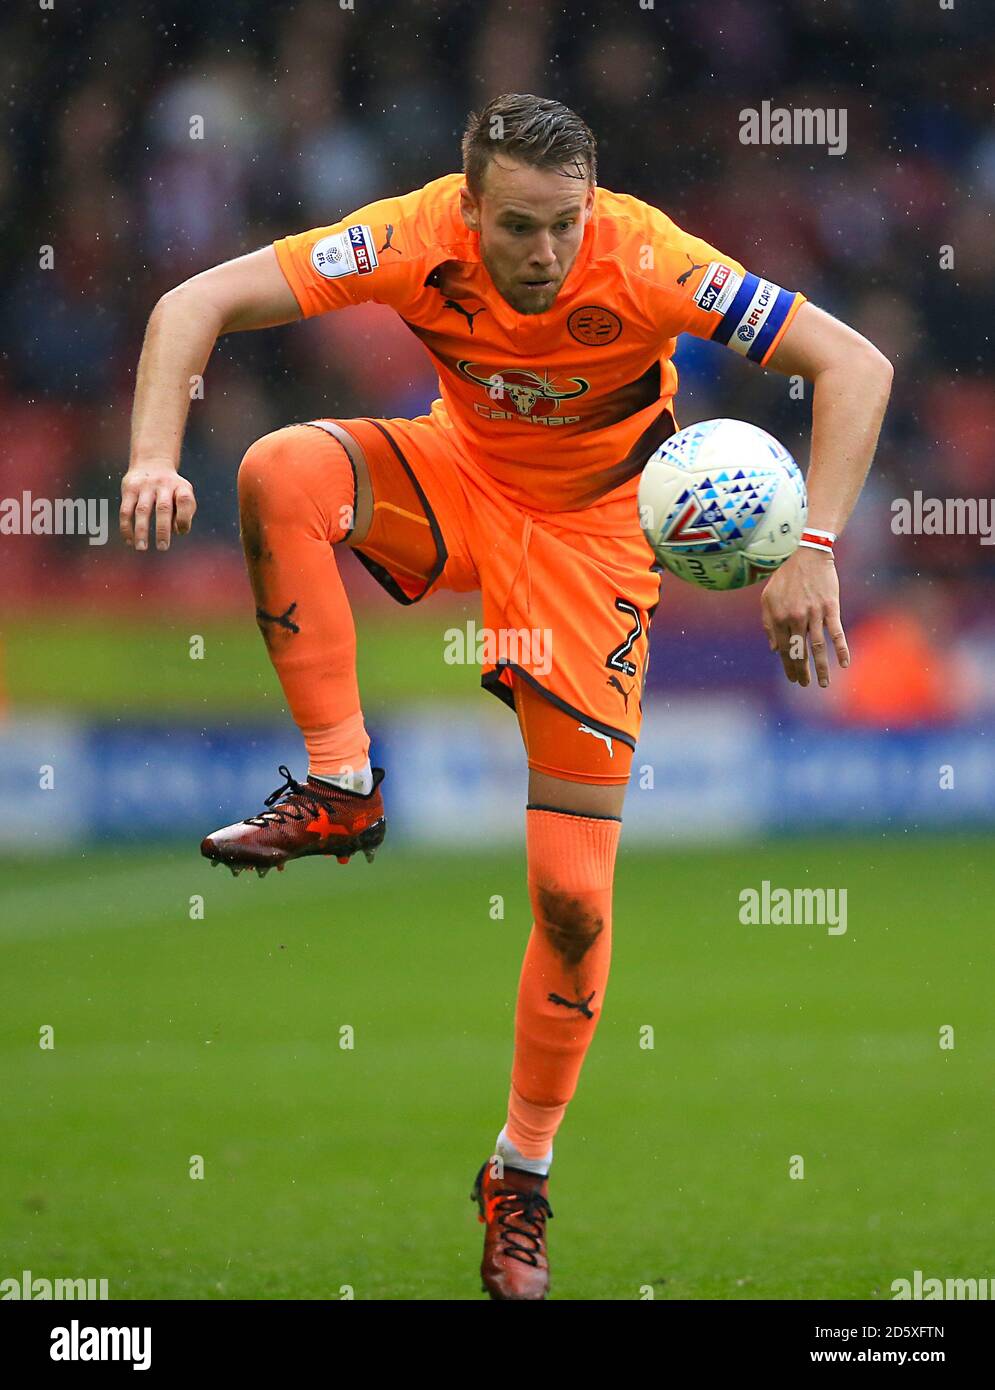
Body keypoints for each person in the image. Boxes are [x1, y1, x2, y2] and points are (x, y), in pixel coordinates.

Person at [120, 93, 893, 1300]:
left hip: (593, 541)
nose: (544, 255)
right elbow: (192, 303)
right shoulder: (408, 234)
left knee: (574, 901)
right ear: (467, 204)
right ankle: (339, 783)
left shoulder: (649, 258)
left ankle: (517, 1173)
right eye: (519, 228)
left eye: (563, 225)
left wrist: (816, 545)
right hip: (460, 477)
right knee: (280, 469)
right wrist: (153, 455)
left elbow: (853, 360)